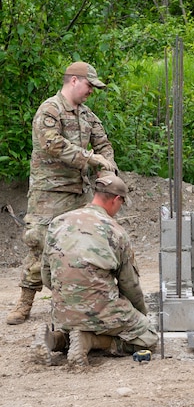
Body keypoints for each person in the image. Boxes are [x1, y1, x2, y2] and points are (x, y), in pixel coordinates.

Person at [9, 61, 117, 326]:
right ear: (74, 81)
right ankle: (25, 301)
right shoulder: (50, 110)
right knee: (40, 245)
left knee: (85, 246)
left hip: (80, 192)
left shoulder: (87, 115)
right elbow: (53, 144)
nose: (91, 91)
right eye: (89, 85)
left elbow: (103, 145)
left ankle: (81, 301)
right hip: (49, 193)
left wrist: (107, 171)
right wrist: (91, 159)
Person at [36, 174, 157, 367]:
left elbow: (46, 275)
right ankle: (90, 340)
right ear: (116, 200)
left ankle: (56, 339)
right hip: (100, 312)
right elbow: (129, 284)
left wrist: (69, 296)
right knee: (148, 337)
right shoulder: (115, 231)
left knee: (77, 323)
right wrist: (141, 314)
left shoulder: (58, 222)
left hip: (62, 313)